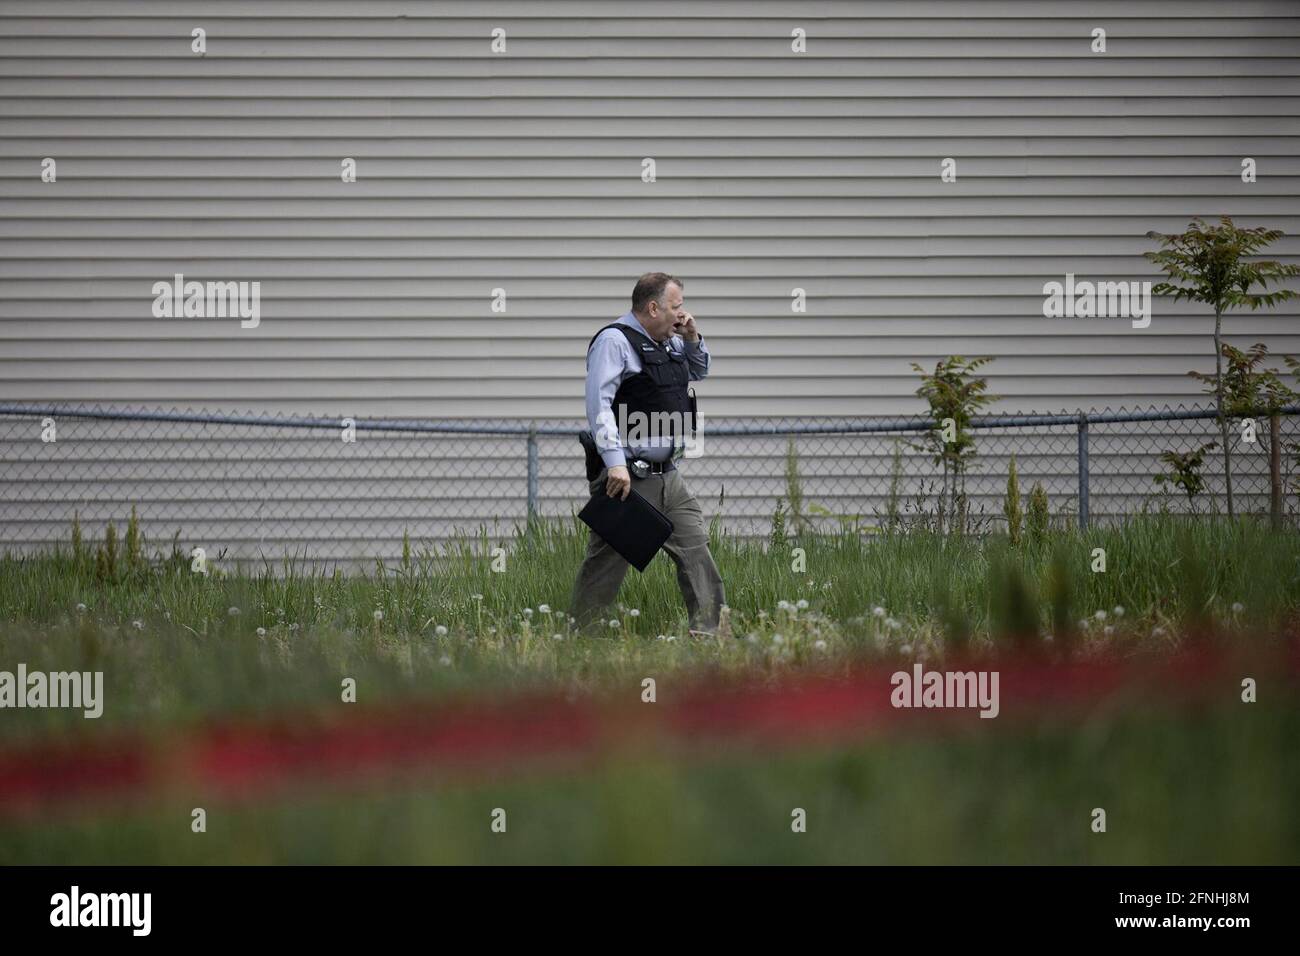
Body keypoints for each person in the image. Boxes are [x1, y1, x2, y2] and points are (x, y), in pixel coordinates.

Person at [570, 272, 726, 636]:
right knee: (606, 565)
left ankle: (711, 636)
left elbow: (700, 371)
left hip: (668, 476)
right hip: (629, 478)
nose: (681, 313)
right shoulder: (614, 342)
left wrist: (692, 338)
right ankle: (578, 640)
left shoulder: (670, 341)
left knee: (697, 554)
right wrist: (615, 465)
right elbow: (599, 407)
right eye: (676, 307)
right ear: (653, 307)